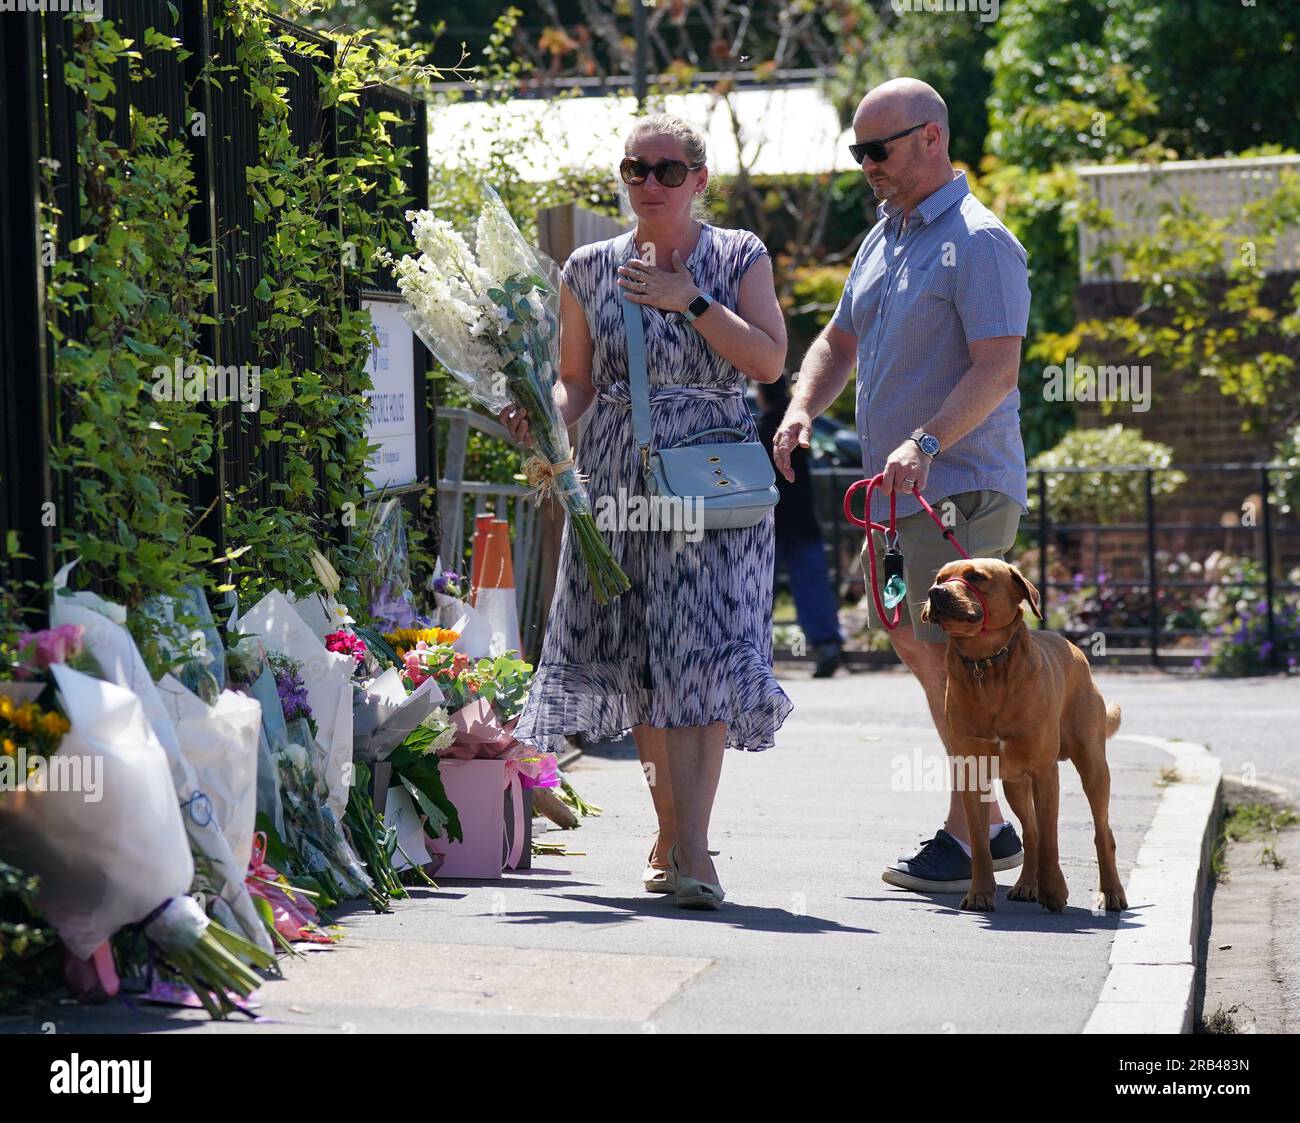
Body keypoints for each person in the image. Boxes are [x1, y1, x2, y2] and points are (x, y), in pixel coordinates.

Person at [506, 113, 792, 909]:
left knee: (699, 658)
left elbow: (769, 361)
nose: (651, 184)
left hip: (714, 491)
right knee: (643, 663)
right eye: (637, 169)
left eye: (669, 171)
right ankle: (670, 833)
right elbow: (579, 380)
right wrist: (540, 410)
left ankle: (694, 845)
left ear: (699, 180)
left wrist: (690, 299)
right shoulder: (588, 267)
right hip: (621, 484)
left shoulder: (738, 256)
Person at [773, 78, 1033, 894]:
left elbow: (999, 366)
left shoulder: (981, 240)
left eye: (876, 150)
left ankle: (975, 833)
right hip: (897, 498)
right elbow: (838, 337)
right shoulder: (884, 237)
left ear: (930, 139)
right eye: (857, 153)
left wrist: (925, 440)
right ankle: (993, 823)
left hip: (957, 489)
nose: (865, 166)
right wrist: (801, 405)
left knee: (950, 656)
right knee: (925, 654)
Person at [755, 376, 845, 677]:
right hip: (803, 517)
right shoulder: (796, 424)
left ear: (762, 396)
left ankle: (753, 650)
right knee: (812, 585)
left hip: (767, 519)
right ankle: (827, 644)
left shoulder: (758, 428)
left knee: (759, 589)